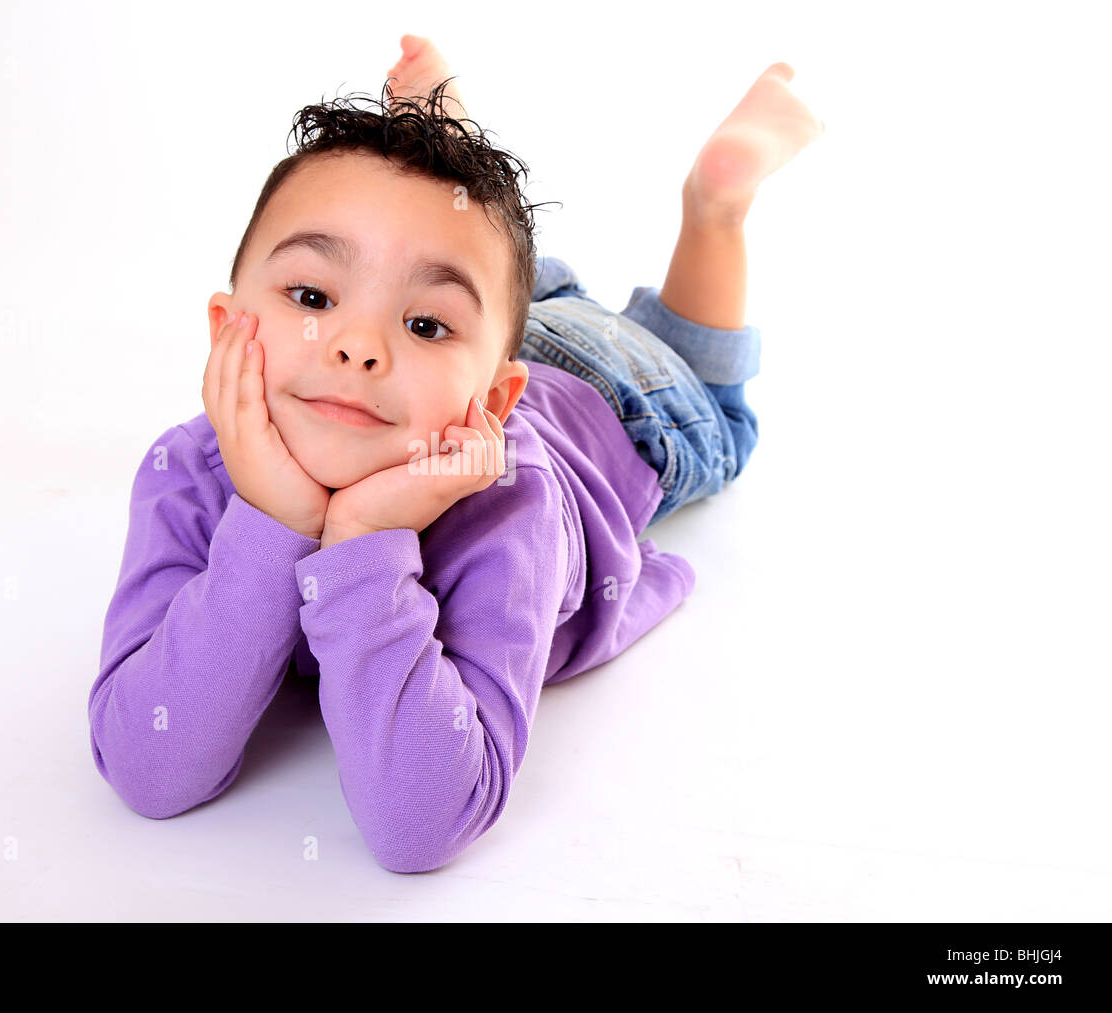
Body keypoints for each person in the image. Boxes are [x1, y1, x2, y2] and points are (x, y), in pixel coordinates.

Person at [88, 35, 824, 873]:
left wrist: (363, 537)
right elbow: (148, 767)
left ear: (497, 406)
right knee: (477, 271)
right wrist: (273, 517)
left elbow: (423, 823)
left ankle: (715, 205)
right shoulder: (186, 467)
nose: (357, 346)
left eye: (415, 323)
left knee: (706, 391)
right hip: (465, 361)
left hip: (623, 396)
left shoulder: (510, 506)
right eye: (312, 296)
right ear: (226, 328)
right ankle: (457, 208)